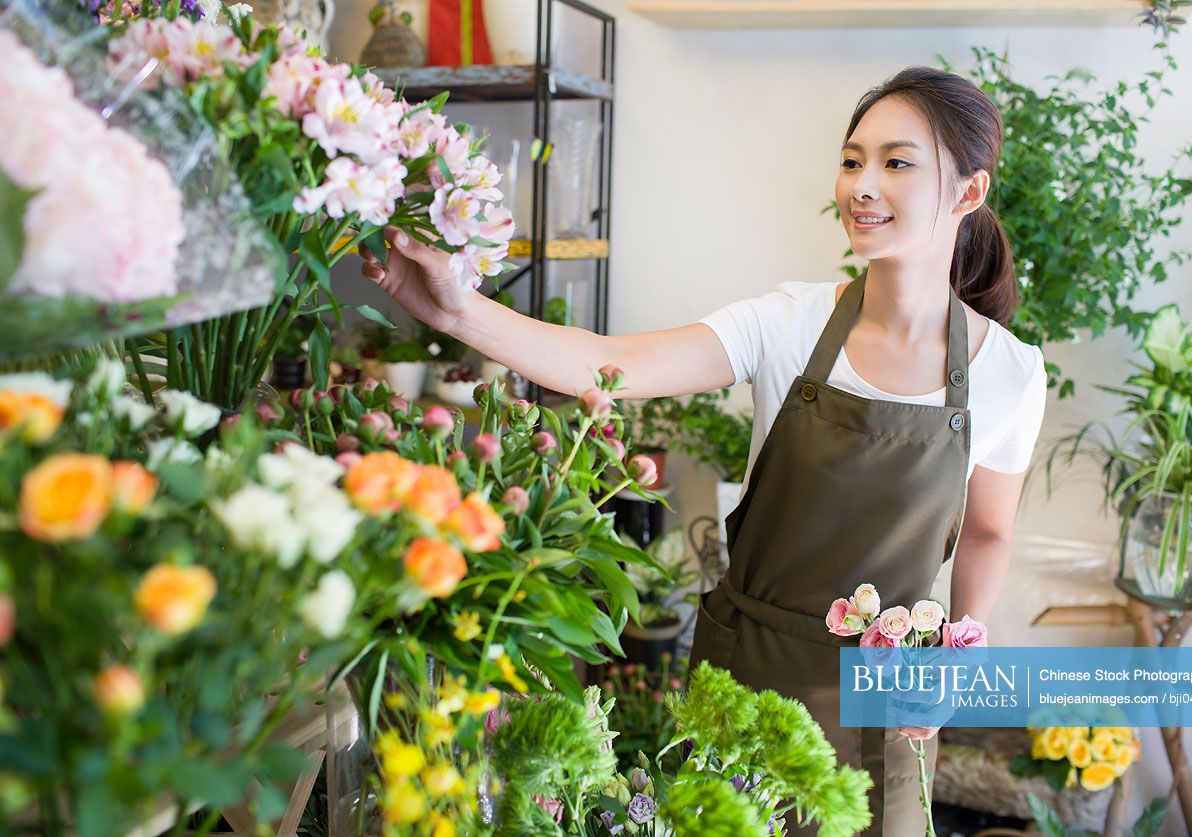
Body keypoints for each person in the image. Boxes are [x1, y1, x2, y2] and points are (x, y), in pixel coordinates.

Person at [360, 65, 1047, 836]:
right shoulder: (788, 323)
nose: (861, 183)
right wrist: (458, 309)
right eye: (852, 159)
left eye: (896, 162)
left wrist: (958, 648)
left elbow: (988, 530)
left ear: (967, 193)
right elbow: (609, 365)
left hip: (888, 702)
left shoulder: (1008, 372)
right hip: (744, 679)